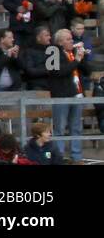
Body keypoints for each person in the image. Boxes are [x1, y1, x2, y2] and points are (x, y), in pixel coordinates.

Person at [47, 27, 89, 163]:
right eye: (68, 39)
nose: (72, 41)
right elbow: (57, 72)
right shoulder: (51, 52)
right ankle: (59, 157)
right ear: (60, 42)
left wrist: (82, 57)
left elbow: (88, 71)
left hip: (77, 93)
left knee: (76, 127)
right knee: (60, 128)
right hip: (61, 95)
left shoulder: (73, 53)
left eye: (72, 38)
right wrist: (76, 60)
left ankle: (76, 157)